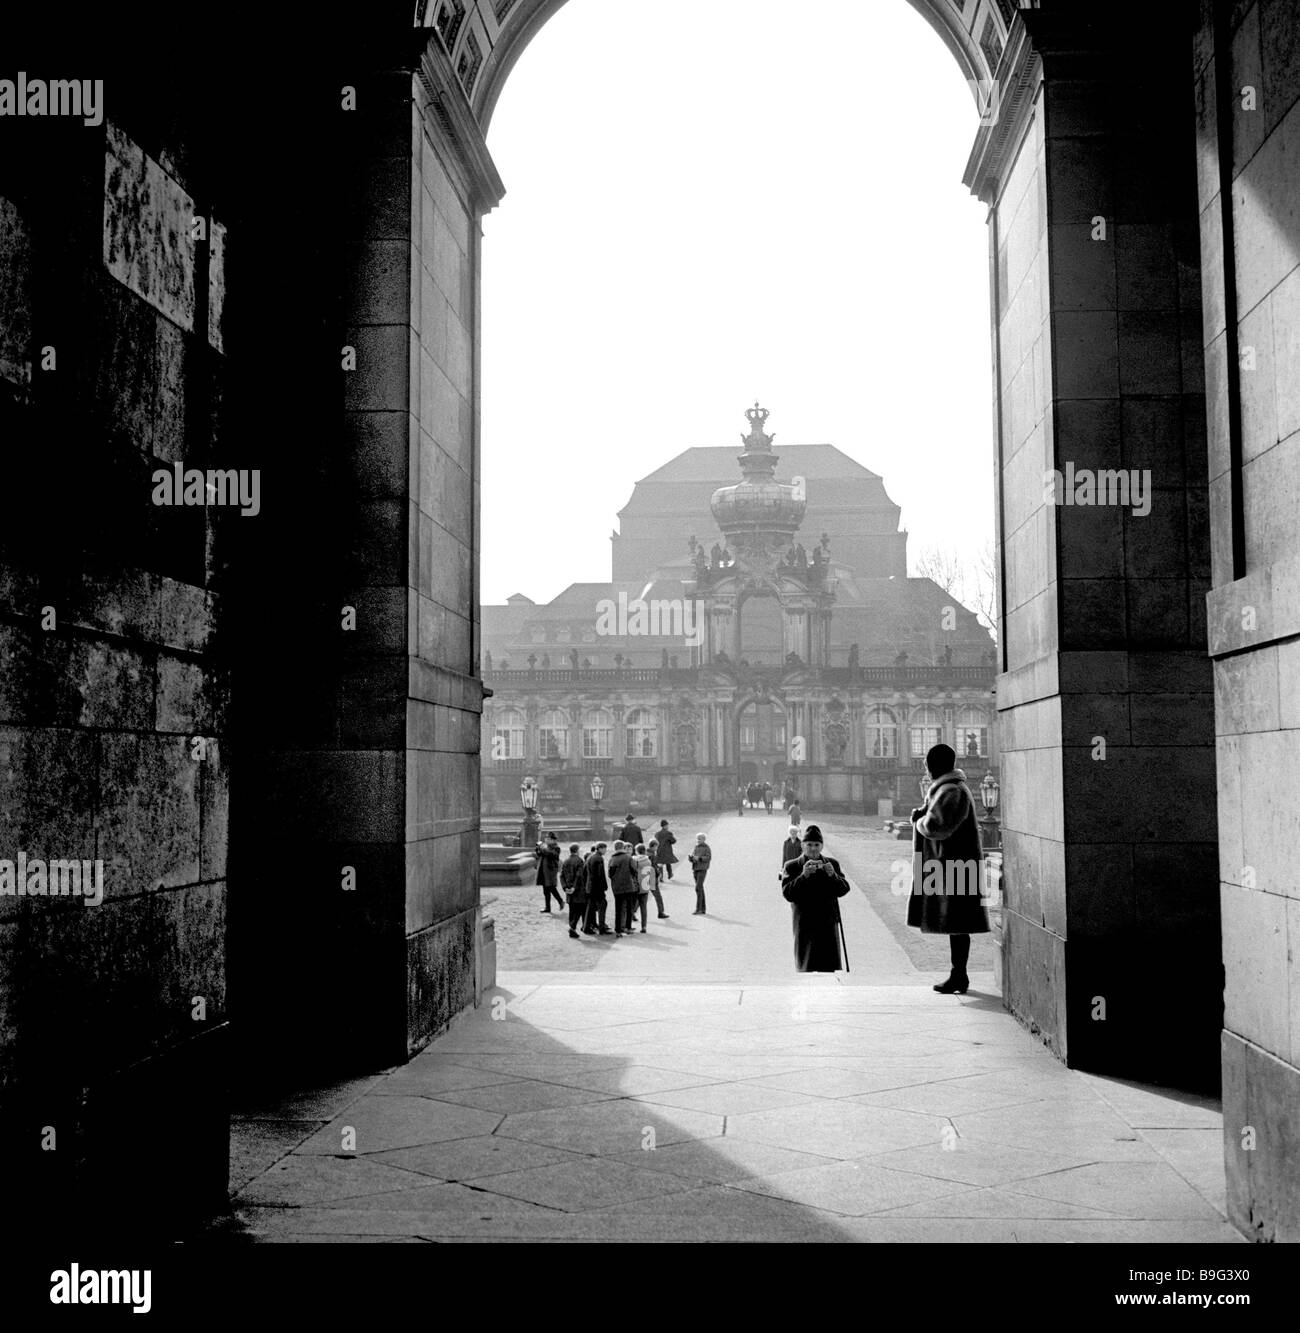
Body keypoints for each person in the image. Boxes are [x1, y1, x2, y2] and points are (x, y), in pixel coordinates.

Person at [907, 743, 989, 994]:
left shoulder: (951, 791)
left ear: (935, 765)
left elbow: (936, 827)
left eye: (927, 765)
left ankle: (959, 976)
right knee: (957, 923)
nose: (926, 770)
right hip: (955, 864)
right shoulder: (948, 789)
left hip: (956, 866)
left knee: (959, 923)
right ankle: (958, 974)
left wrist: (919, 820)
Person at [781, 824, 850, 972]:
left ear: (822, 846)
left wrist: (833, 876)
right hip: (805, 926)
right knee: (806, 971)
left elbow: (844, 889)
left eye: (817, 845)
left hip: (827, 926)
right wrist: (803, 876)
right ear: (802, 845)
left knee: (829, 972)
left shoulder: (832, 864)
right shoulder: (792, 867)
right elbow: (788, 893)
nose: (813, 849)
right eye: (809, 844)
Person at [609, 840, 639, 936]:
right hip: (628, 885)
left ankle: (618, 930)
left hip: (617, 887)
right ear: (622, 847)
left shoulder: (612, 859)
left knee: (618, 909)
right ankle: (628, 927)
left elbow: (610, 874)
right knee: (629, 908)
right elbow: (634, 870)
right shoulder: (628, 857)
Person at [583, 842, 612, 935]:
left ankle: (586, 927)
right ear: (600, 848)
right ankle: (602, 928)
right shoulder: (599, 858)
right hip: (597, 887)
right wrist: (604, 887)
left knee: (590, 907)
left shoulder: (590, 857)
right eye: (604, 848)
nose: (605, 850)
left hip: (590, 886)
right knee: (602, 906)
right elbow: (600, 875)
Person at [560, 843, 588, 939]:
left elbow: (561, 876)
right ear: (577, 851)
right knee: (580, 908)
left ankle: (572, 930)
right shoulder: (580, 861)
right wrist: (574, 887)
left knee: (572, 910)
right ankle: (572, 927)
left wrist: (565, 888)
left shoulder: (566, 861)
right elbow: (579, 875)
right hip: (579, 890)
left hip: (568, 890)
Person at [632, 843, 660, 932]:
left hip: (635, 885)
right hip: (645, 885)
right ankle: (644, 926)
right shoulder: (648, 861)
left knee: (632, 904)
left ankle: (629, 922)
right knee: (643, 907)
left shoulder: (633, 860)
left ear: (636, 851)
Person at [534, 832, 563, 913]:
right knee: (546, 890)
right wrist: (537, 849)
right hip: (543, 870)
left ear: (553, 840)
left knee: (551, 887)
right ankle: (548, 907)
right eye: (546, 839)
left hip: (550, 871)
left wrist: (542, 847)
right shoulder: (545, 847)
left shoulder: (556, 848)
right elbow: (540, 855)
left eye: (548, 839)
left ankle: (560, 901)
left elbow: (551, 854)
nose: (546, 840)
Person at [689, 833, 711, 915]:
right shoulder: (696, 847)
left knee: (698, 888)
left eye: (700, 839)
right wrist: (691, 858)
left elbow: (708, 858)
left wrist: (700, 858)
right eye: (697, 839)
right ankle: (703, 909)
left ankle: (698, 908)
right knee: (700, 888)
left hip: (702, 869)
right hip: (695, 868)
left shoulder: (707, 848)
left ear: (703, 839)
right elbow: (693, 855)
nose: (698, 840)